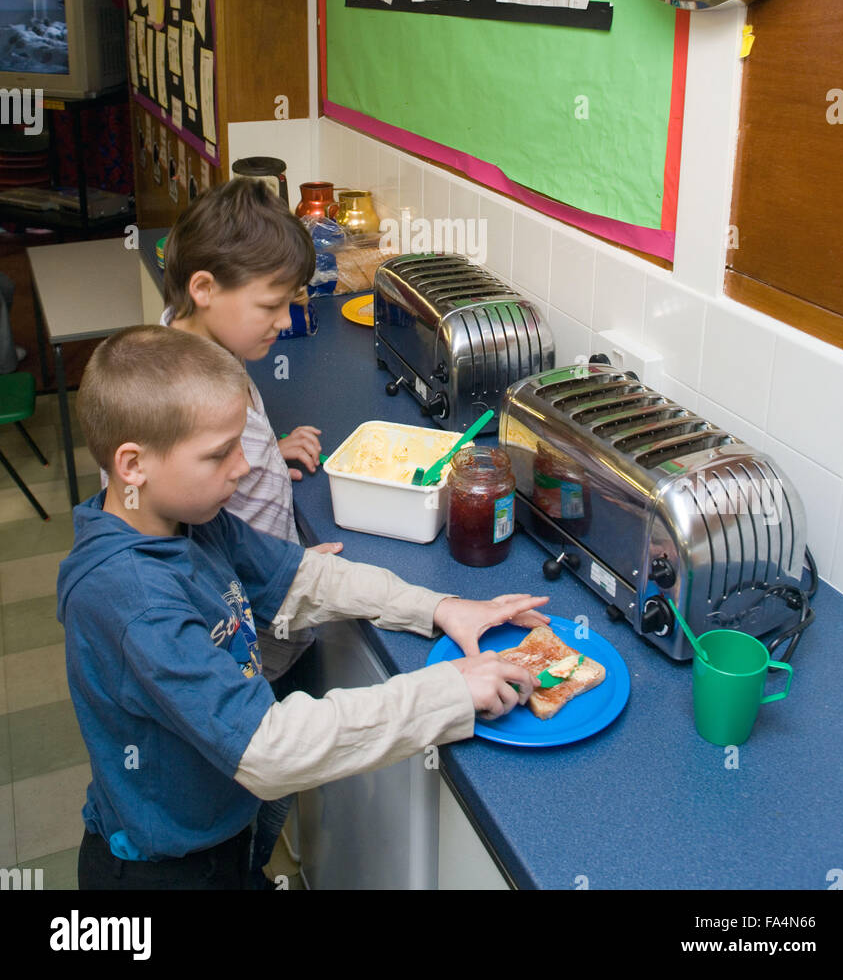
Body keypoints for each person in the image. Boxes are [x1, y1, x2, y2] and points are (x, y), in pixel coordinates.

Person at [58, 325, 547, 890]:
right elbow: (268, 748)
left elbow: (301, 578)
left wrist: (439, 606)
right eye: (219, 454)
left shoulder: (182, 521)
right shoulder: (133, 601)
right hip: (163, 873)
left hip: (224, 835)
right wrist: (448, 691)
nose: (242, 467)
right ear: (133, 465)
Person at [161, 176, 339, 885]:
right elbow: (189, 546)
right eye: (271, 304)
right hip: (251, 648)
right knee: (253, 808)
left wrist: (272, 447)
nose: (285, 319)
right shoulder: (185, 390)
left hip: (272, 623)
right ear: (205, 288)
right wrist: (285, 569)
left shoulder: (213, 357)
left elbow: (234, 446)